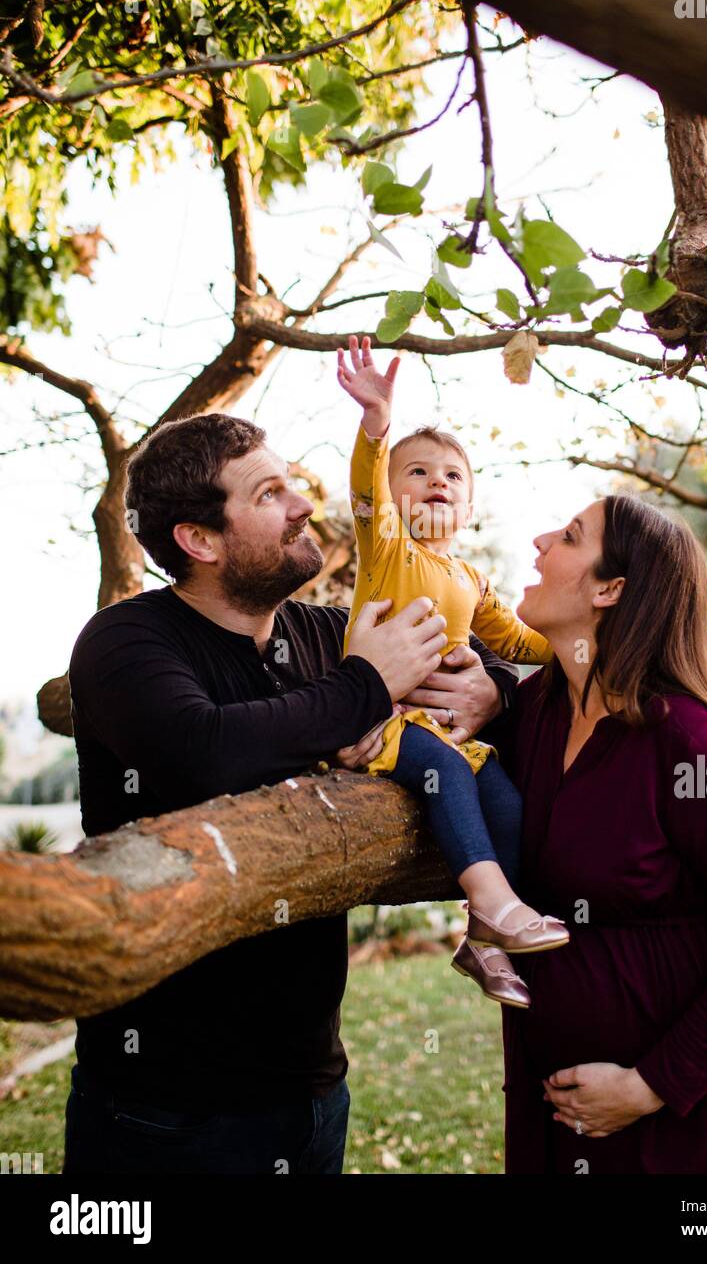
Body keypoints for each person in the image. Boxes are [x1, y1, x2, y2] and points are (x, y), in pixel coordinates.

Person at [61, 410, 519, 1175]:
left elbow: (471, 650)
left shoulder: (328, 633)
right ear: (200, 540)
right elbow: (203, 754)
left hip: (314, 1088)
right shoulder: (127, 640)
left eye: (293, 483)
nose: (305, 505)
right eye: (270, 494)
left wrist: (494, 690)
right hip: (166, 1106)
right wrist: (366, 685)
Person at [475, 494, 707, 1173]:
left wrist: (650, 1086)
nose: (540, 540)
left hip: (687, 1129)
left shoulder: (693, 747)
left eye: (570, 535)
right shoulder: (538, 711)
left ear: (610, 589)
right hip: (559, 1115)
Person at [336, 333, 569, 1010]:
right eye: (416, 472)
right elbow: (365, 489)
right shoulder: (387, 547)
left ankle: (484, 942)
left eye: (453, 476)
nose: (437, 481)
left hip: (448, 733)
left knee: (506, 802)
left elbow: (520, 642)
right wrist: (377, 424)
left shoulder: (471, 578)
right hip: (385, 724)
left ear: (468, 509)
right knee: (445, 772)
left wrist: (584, 642)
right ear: (390, 496)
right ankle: (493, 902)